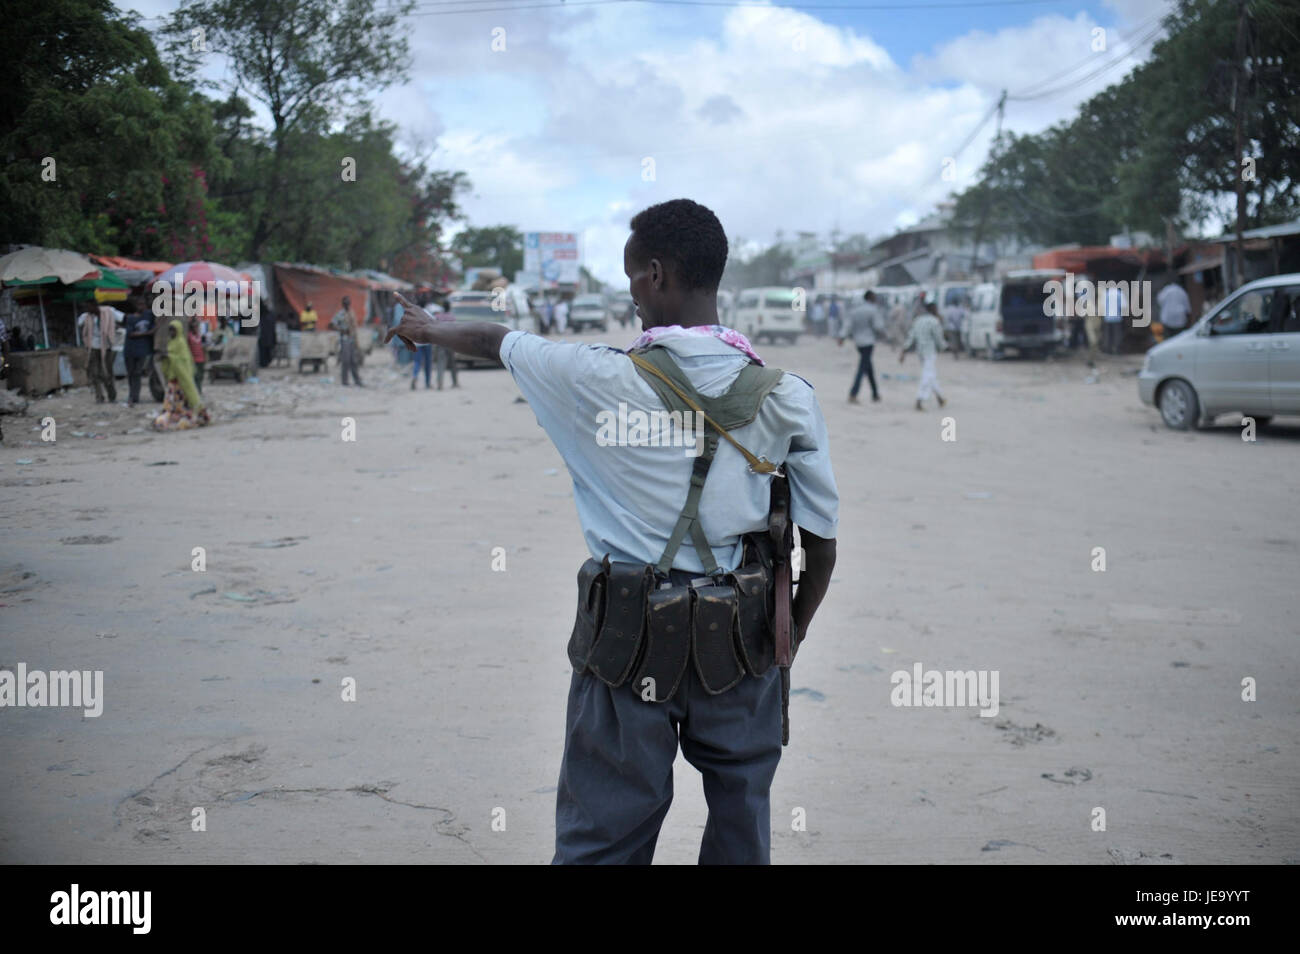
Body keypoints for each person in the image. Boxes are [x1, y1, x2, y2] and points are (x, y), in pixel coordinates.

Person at [386, 198, 839, 865]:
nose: (629, 296)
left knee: (604, 839)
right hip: (743, 648)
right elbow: (821, 547)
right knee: (743, 831)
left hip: (630, 645)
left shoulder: (592, 376)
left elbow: (491, 341)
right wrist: (788, 636)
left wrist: (426, 329)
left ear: (654, 274)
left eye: (631, 278)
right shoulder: (787, 396)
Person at [153, 319, 211, 430]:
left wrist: (169, 356)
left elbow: (183, 360)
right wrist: (165, 357)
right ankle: (171, 414)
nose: (171, 333)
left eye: (173, 330)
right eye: (170, 331)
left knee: (183, 399)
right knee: (171, 399)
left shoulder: (181, 343)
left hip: (181, 380)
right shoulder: (171, 342)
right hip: (173, 379)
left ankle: (189, 414)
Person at [838, 289, 885, 404]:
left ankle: (875, 394)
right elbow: (878, 326)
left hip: (858, 342)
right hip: (868, 342)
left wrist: (842, 337)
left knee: (868, 367)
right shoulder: (872, 310)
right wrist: (885, 334)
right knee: (863, 368)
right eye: (874, 297)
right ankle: (853, 394)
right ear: (870, 298)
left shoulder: (855, 311)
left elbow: (848, 325)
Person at [899, 299, 947, 411]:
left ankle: (940, 398)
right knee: (928, 375)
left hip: (920, 352)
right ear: (933, 310)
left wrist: (904, 351)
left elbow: (911, 337)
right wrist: (945, 347)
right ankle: (920, 400)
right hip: (929, 352)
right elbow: (939, 339)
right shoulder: (934, 321)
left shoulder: (918, 320)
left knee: (930, 375)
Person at [77, 301, 117, 403]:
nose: (87, 309)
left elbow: (119, 319)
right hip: (94, 347)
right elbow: (79, 323)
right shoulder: (87, 316)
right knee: (95, 373)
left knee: (106, 373)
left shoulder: (107, 312)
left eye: (89, 306)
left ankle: (112, 395)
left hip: (106, 347)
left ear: (94, 306)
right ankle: (99, 396)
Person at [122, 301, 155, 405]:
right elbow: (131, 334)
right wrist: (147, 333)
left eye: (142, 304)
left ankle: (134, 397)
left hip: (143, 351)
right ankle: (132, 396)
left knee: (137, 373)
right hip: (130, 350)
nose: (141, 306)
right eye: (139, 304)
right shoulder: (131, 318)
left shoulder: (149, 315)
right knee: (131, 374)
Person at [331, 296, 363, 386]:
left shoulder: (352, 313)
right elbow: (332, 324)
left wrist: (357, 340)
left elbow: (354, 327)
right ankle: (345, 381)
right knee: (346, 361)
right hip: (344, 339)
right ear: (343, 304)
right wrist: (341, 330)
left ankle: (357, 380)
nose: (347, 304)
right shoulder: (340, 314)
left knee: (354, 361)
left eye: (348, 302)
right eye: (345, 302)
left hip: (352, 338)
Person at [1102, 281, 1126, 354]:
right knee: (1117, 334)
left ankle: (1107, 349)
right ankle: (1116, 349)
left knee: (1107, 334)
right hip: (1117, 317)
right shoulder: (1119, 293)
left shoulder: (1106, 294)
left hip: (1107, 317)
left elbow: (1102, 305)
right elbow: (1124, 306)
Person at [942, 294, 966, 359]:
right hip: (953, 327)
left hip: (955, 327)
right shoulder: (956, 308)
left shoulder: (955, 308)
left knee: (956, 341)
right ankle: (955, 353)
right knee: (954, 341)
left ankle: (956, 352)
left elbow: (963, 315)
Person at [186, 317, 207, 392]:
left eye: (197, 326)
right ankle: (196, 391)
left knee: (200, 376)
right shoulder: (189, 336)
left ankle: (199, 390)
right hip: (194, 359)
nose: (196, 328)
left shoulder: (199, 335)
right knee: (195, 376)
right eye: (195, 327)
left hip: (201, 359)